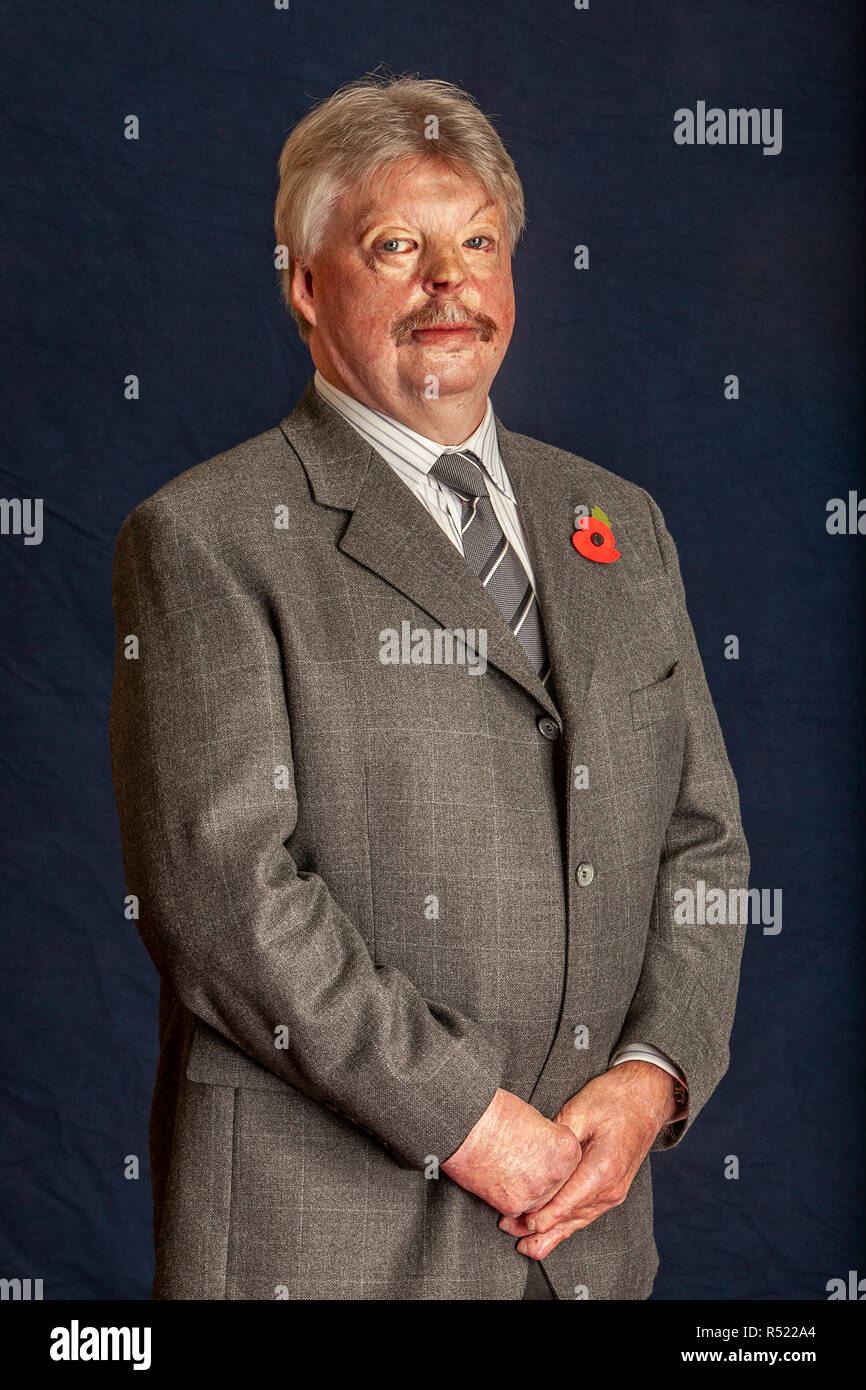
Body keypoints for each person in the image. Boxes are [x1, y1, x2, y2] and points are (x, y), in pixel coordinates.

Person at [109, 74, 749, 1300]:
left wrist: (655, 1069)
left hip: (585, 1240)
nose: (447, 284)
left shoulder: (620, 524)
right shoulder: (207, 538)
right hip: (328, 1245)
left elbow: (704, 844)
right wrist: (468, 1117)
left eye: (477, 244)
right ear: (305, 285)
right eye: (396, 246)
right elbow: (223, 900)